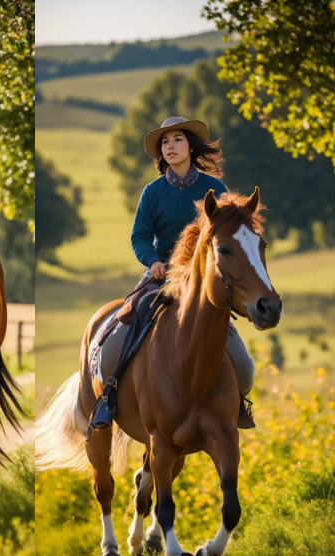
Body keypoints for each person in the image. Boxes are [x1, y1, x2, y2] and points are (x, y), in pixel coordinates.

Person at [96, 116, 256, 429]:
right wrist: (152, 260)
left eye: (177, 139)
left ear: (191, 147)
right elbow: (139, 236)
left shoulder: (215, 188)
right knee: (121, 333)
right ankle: (108, 399)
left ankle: (239, 403)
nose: (170, 146)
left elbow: (229, 234)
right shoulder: (152, 192)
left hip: (203, 280)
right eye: (165, 142)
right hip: (161, 277)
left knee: (243, 362)